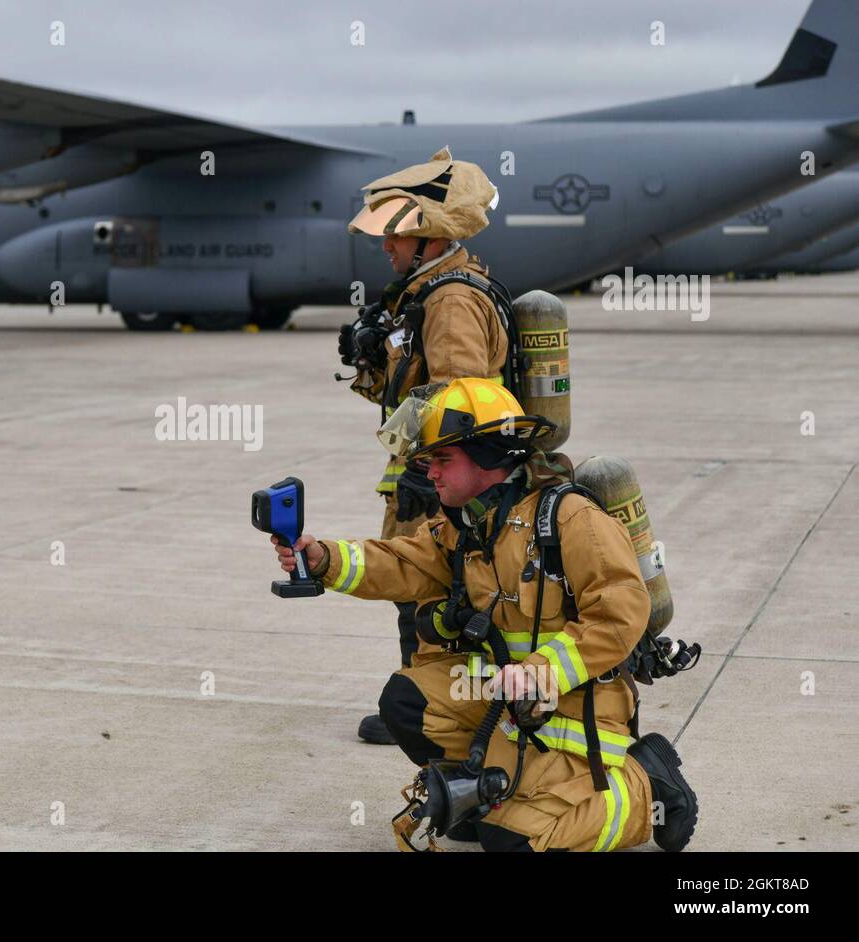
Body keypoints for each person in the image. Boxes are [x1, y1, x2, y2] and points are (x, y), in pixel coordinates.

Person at [271, 378, 698, 852]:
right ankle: (491, 796)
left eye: (442, 459)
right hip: (508, 698)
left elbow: (621, 614)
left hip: (578, 709)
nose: (429, 473)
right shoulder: (468, 524)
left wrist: (544, 671)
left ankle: (645, 787)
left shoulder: (571, 520)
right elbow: (402, 563)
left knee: (512, 843)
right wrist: (323, 558)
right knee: (407, 702)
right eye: (427, 461)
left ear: (489, 454)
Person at [339, 147, 511, 745]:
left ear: (431, 238)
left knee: (424, 584)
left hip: (440, 478)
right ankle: (427, 697)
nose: (386, 247)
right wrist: (374, 361)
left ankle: (425, 707)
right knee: (422, 586)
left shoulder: (449, 300)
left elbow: (460, 399)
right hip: (431, 472)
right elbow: (419, 390)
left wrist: (432, 472)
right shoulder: (432, 292)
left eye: (397, 236)